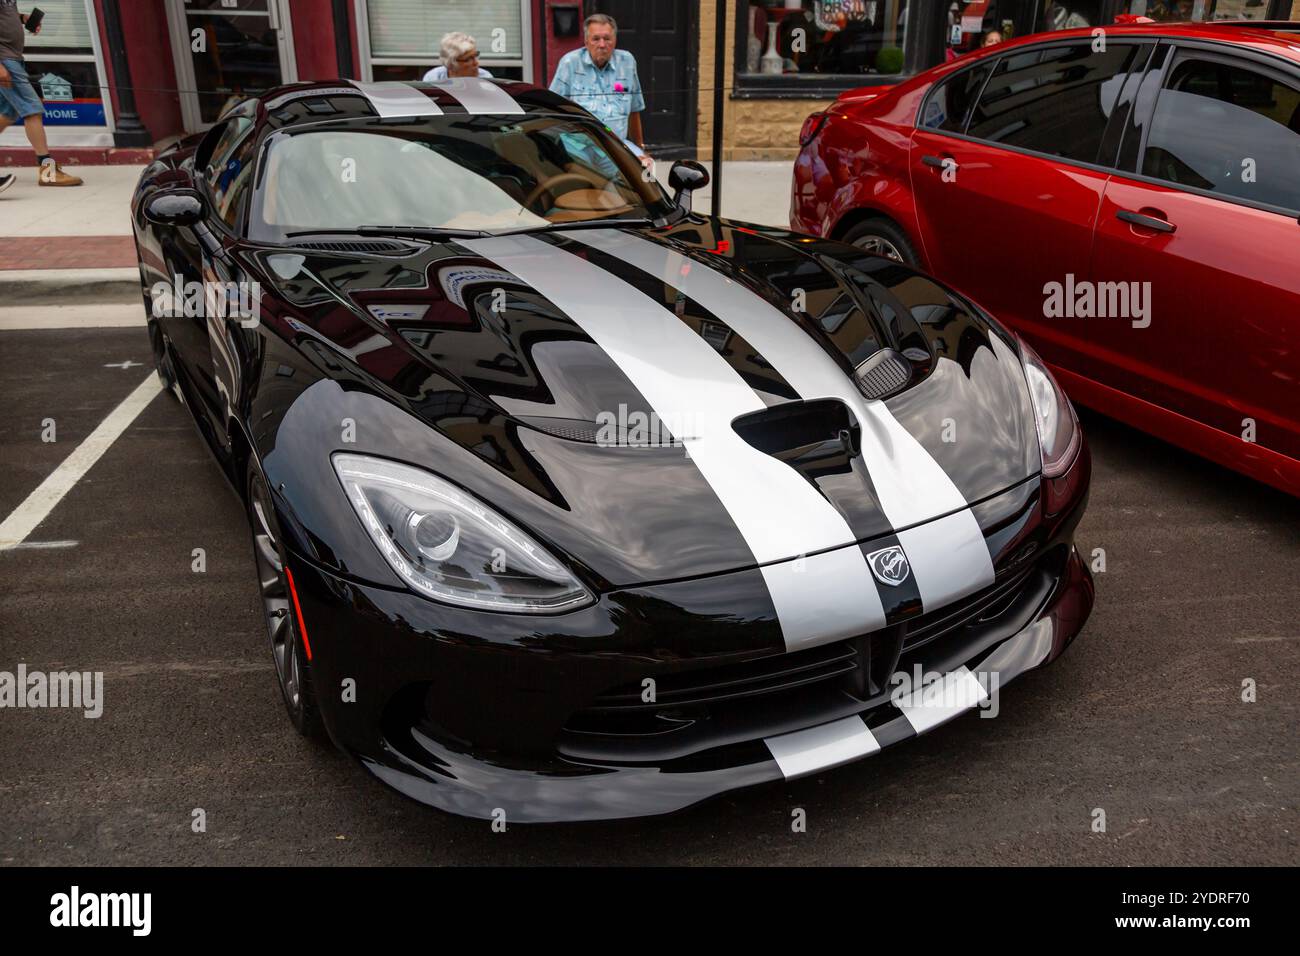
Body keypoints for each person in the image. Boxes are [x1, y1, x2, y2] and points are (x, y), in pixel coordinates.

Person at [0, 1, 82, 188]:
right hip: (5, 61)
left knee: (7, 113)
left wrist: (22, 19)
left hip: (11, 58)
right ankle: (48, 172)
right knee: (32, 110)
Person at [549, 14, 648, 160]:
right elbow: (553, 108)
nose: (602, 45)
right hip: (579, 147)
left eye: (607, 39)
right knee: (589, 179)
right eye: (596, 39)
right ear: (586, 41)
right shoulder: (570, 62)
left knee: (646, 171)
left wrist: (640, 148)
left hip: (617, 144)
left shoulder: (627, 62)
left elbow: (634, 109)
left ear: (614, 41)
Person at [422, 32, 492, 82]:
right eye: (468, 59)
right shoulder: (433, 78)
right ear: (451, 64)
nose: (476, 63)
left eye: (475, 55)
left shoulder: (486, 79)